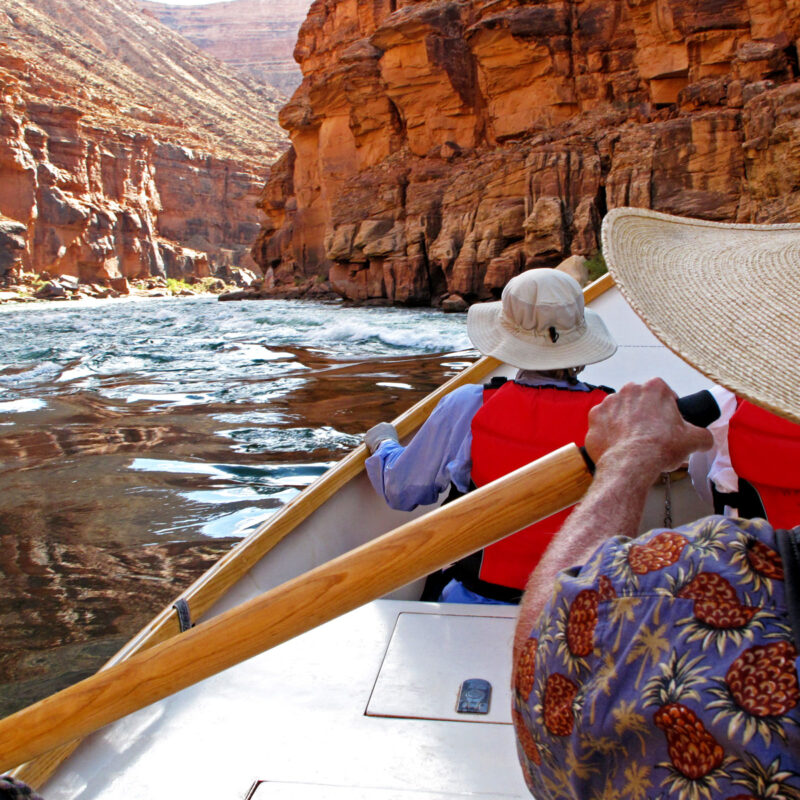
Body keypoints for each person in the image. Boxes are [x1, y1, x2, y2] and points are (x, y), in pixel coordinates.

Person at [512, 208, 800, 799]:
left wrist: (632, 456)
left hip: (477, 596)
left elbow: (545, 677)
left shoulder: (463, 413)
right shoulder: (604, 399)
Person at [364, 268, 618, 604]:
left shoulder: (469, 404)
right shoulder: (613, 413)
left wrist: (384, 443)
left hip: (478, 598)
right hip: (578, 607)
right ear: (579, 343)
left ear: (508, 337)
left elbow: (402, 489)